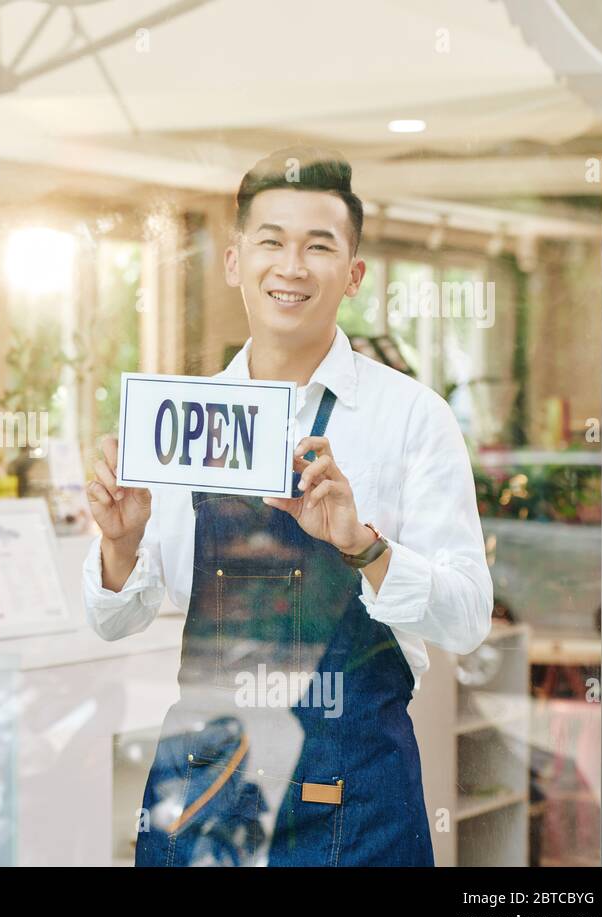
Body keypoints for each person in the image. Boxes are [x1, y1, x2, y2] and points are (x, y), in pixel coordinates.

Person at [84, 147, 493, 867]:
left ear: (354, 275)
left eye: (319, 247)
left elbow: (465, 619)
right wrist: (121, 545)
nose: (292, 266)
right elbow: (118, 618)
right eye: (271, 241)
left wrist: (363, 546)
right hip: (208, 788)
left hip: (356, 792)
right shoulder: (188, 420)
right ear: (236, 261)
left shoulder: (410, 418)